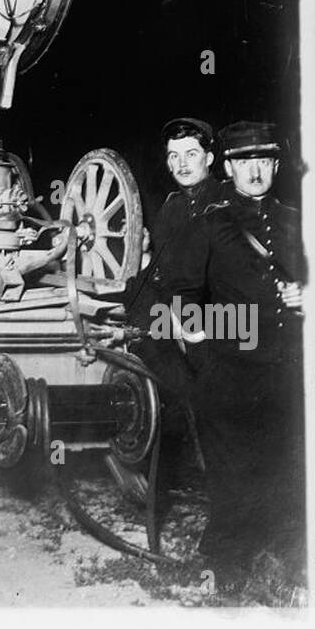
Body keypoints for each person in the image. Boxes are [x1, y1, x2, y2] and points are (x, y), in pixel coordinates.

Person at [178, 121, 306, 592]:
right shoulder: (208, 224)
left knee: (283, 466)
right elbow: (183, 298)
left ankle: (283, 558)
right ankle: (224, 564)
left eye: (263, 160)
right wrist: (204, 363)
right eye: (243, 161)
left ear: (274, 165)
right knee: (232, 475)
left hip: (286, 369)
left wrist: (309, 295)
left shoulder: (296, 220)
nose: (254, 170)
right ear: (228, 167)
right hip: (228, 372)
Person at [106, 117, 222, 508]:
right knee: (151, 377)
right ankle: (153, 479)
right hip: (169, 317)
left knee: (195, 396)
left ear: (210, 156)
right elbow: (158, 274)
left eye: (191, 154)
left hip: (212, 322)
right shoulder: (173, 206)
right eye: (174, 156)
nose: (182, 164)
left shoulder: (224, 205)